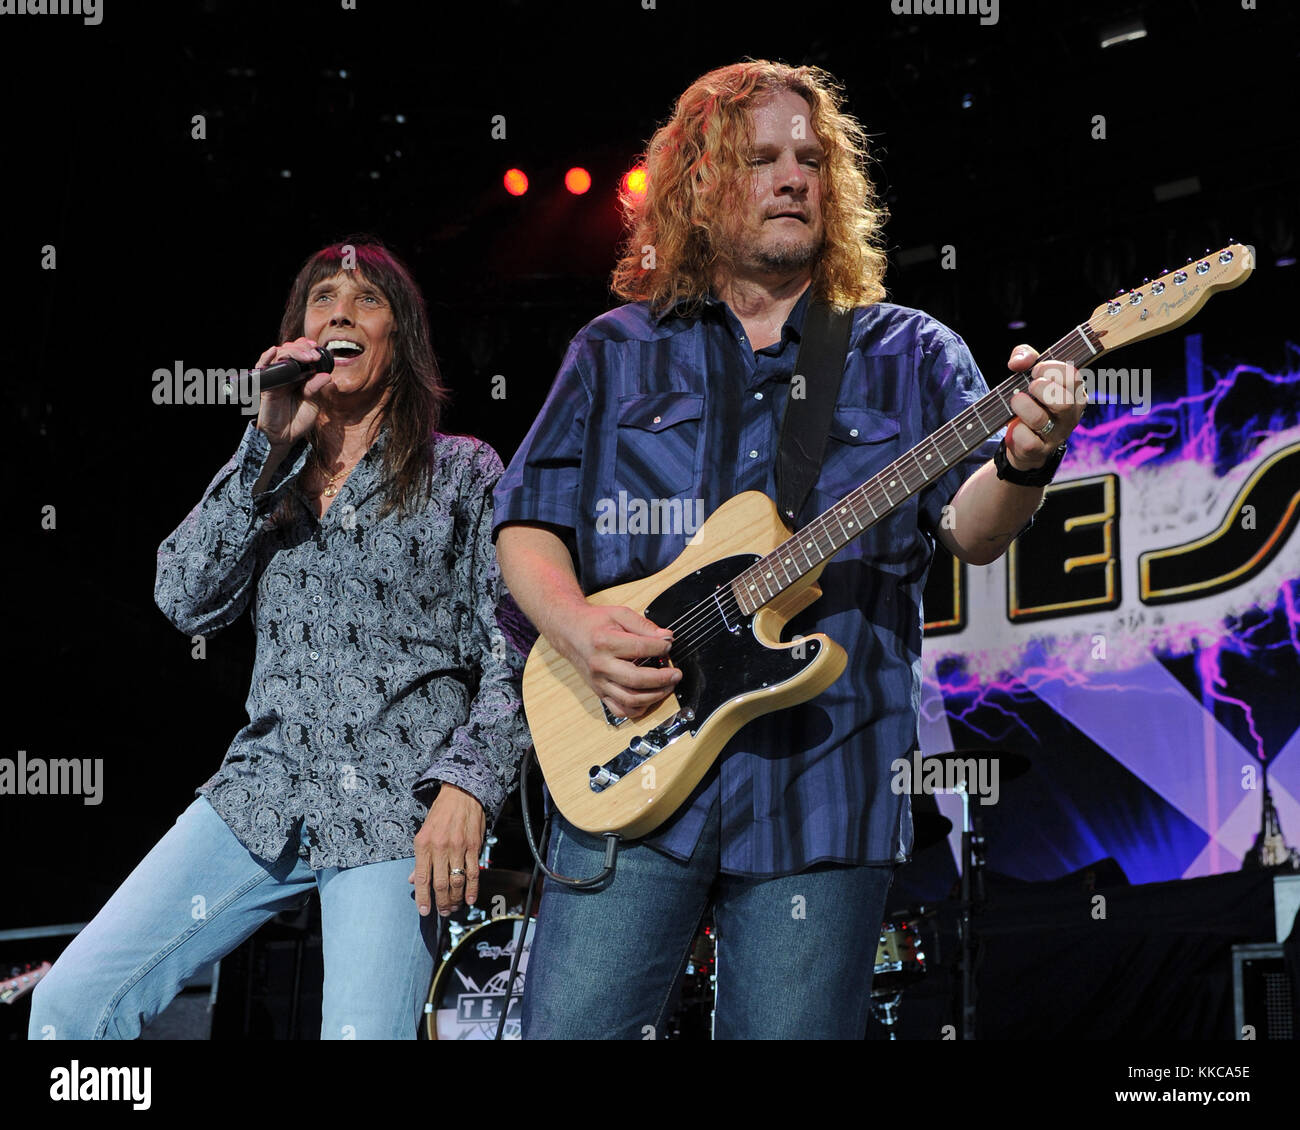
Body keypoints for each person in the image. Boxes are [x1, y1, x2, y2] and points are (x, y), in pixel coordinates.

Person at [493, 61, 1086, 1039]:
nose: (792, 176)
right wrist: (577, 624)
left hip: (825, 780)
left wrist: (1029, 457)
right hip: (624, 763)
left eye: (811, 159)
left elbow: (971, 531)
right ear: (698, 185)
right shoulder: (615, 349)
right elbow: (525, 522)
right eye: (760, 157)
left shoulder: (910, 351)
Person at [29, 239, 532, 1040]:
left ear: (400, 339)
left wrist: (469, 787)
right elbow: (182, 597)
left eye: (366, 300)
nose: (339, 310)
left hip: (392, 810)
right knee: (68, 1011)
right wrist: (265, 445)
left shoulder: (462, 472)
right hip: (262, 793)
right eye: (322, 298)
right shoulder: (275, 476)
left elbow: (517, 646)